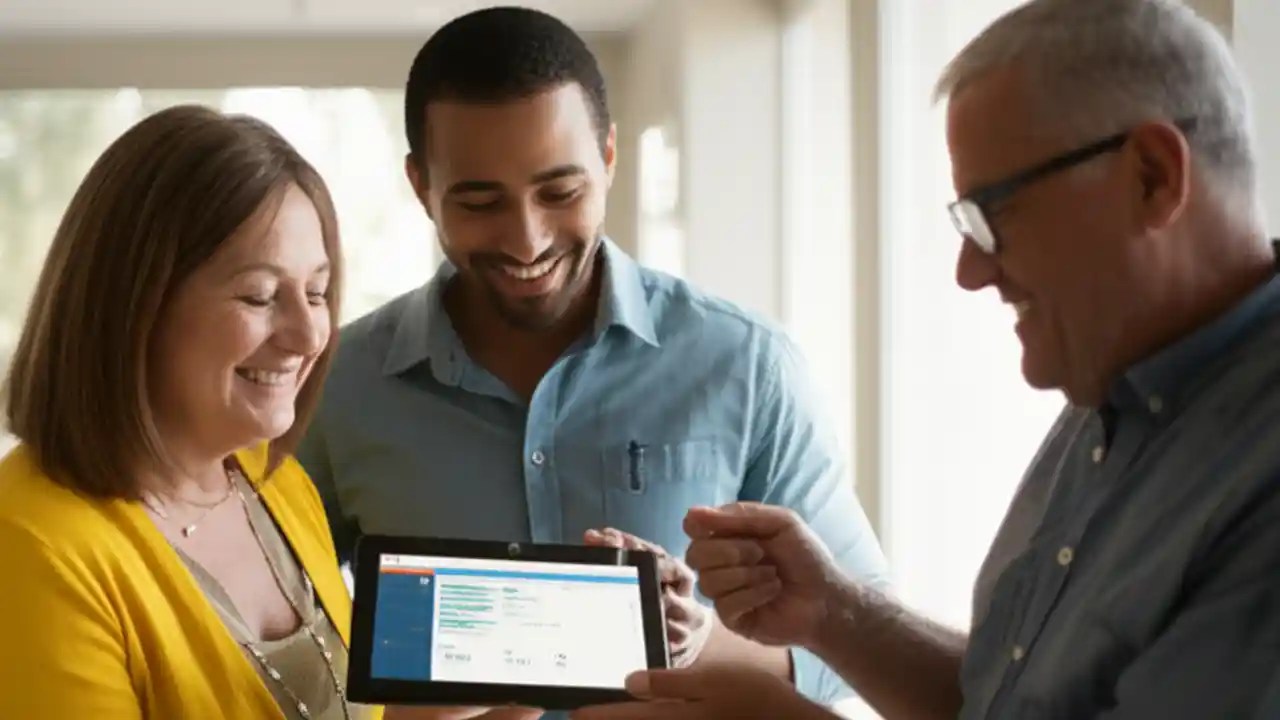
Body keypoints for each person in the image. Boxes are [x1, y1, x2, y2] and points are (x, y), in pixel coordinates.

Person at [571, 0, 1280, 718]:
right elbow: (1010, 702)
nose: (969, 271)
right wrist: (837, 614)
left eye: (991, 214)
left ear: (1152, 177)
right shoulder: (1114, 385)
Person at [295, 5, 889, 716]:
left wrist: (700, 644)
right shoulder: (339, 384)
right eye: (480, 200)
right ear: (421, 186)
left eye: (560, 192)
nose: (526, 240)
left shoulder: (746, 365)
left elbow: (858, 647)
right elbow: (274, 639)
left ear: (608, 157)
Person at [0, 105, 515, 720]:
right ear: (133, 305)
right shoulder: (32, 547)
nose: (309, 335)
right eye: (260, 296)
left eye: (317, 292)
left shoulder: (275, 484)